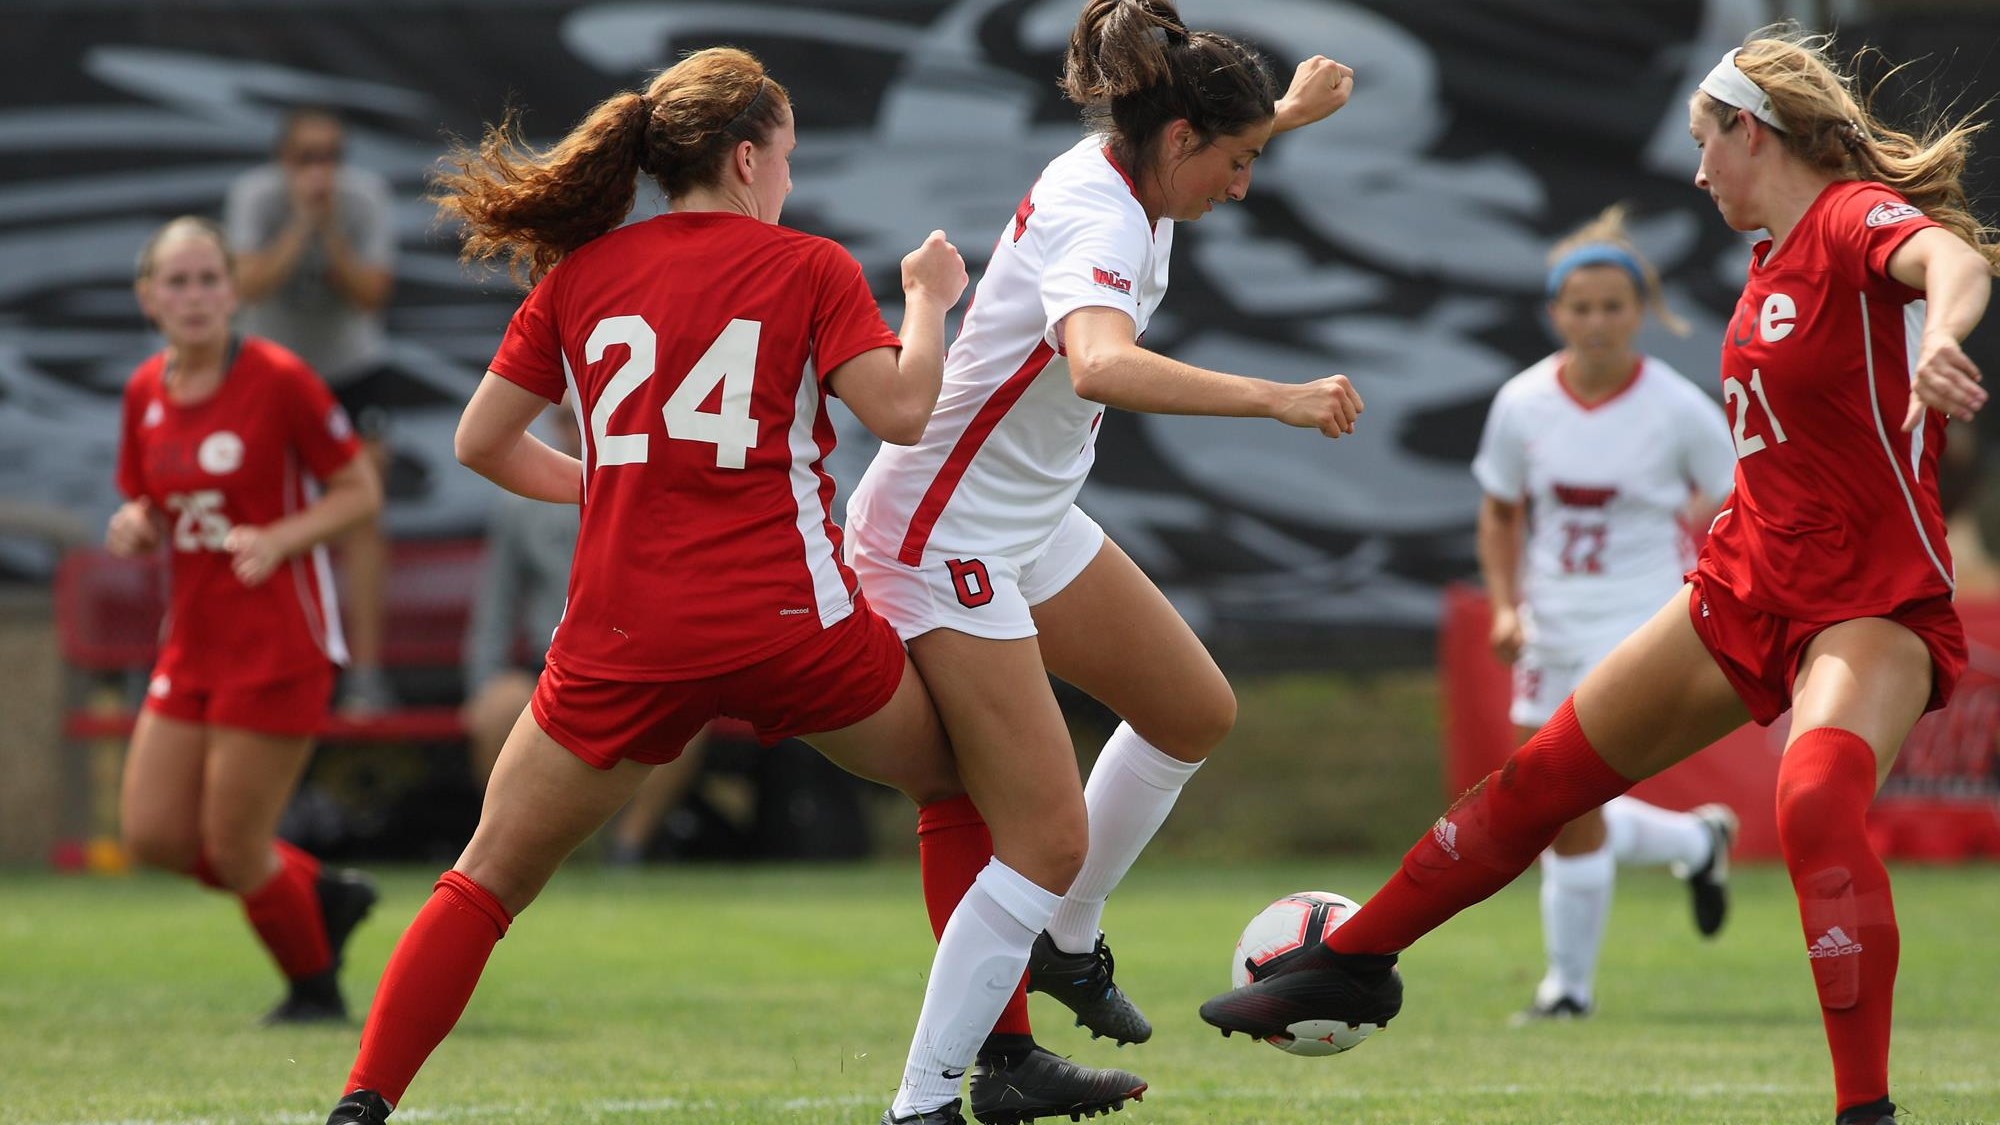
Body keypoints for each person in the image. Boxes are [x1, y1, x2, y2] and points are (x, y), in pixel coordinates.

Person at [321, 47, 1135, 1125]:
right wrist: (930, 300)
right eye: (785, 157)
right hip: (786, 626)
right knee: (967, 789)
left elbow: (480, 443)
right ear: (747, 157)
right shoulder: (806, 267)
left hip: (622, 636)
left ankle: (361, 1104)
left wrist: (614, 489)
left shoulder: (581, 275)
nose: (789, 180)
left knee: (483, 882)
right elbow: (899, 410)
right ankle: (999, 1059)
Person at [1200, 27, 1997, 1125]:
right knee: (1539, 783)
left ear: (1747, 131)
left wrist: (1942, 338)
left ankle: (1863, 1111)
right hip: (1738, 590)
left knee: (1811, 800)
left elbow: (1946, 259)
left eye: (1702, 143)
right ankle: (1347, 959)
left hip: (1865, 605)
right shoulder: (1766, 258)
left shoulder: (1844, 219)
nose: (1693, 169)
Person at [849, 3, 1360, 1121]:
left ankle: (1065, 945)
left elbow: (1192, 151)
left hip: (1020, 521)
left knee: (1191, 711)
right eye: (1239, 162)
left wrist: (1281, 116)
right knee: (1040, 836)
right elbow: (1096, 365)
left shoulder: (1135, 158)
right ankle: (927, 1101)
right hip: (943, 537)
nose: (1241, 185)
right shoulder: (1104, 212)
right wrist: (1273, 398)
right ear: (1180, 140)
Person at [108, 216, 385, 1024]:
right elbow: (146, 502)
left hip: (278, 641)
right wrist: (134, 523)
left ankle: (314, 988)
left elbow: (358, 494)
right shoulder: (143, 392)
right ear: (148, 298)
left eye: (207, 280)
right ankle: (319, 894)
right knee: (155, 835)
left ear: (233, 290)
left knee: (234, 845)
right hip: (192, 643)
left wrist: (278, 537)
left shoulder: (279, 377)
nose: (194, 297)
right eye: (176, 282)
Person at [1473, 204, 1742, 1023]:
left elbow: (1744, 502)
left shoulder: (1678, 407)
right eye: (1579, 307)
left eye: (1612, 306)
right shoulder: (1521, 403)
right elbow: (1499, 511)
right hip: (1551, 619)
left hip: (1641, 622)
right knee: (1550, 798)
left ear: (1642, 310)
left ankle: (1567, 991)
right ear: (1556, 312)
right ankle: (1697, 843)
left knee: (1564, 799)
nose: (1595, 321)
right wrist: (1503, 606)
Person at [457, 402, 708, 858]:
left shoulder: (661, 488)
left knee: (689, 713)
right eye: (565, 419)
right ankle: (524, 848)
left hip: (641, 662)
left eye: (587, 416)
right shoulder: (521, 501)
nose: (576, 428)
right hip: (549, 660)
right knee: (495, 708)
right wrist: (482, 684)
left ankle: (626, 850)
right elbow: (494, 610)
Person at [225, 107, 400, 713]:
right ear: (284, 160)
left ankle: (367, 677)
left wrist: (328, 233)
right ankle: (264, 663)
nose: (320, 170)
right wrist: (299, 223)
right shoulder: (254, 197)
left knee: (364, 511)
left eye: (330, 156)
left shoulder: (365, 198)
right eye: (306, 157)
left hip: (350, 370)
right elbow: (248, 284)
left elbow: (371, 294)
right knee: (256, 511)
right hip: (273, 370)